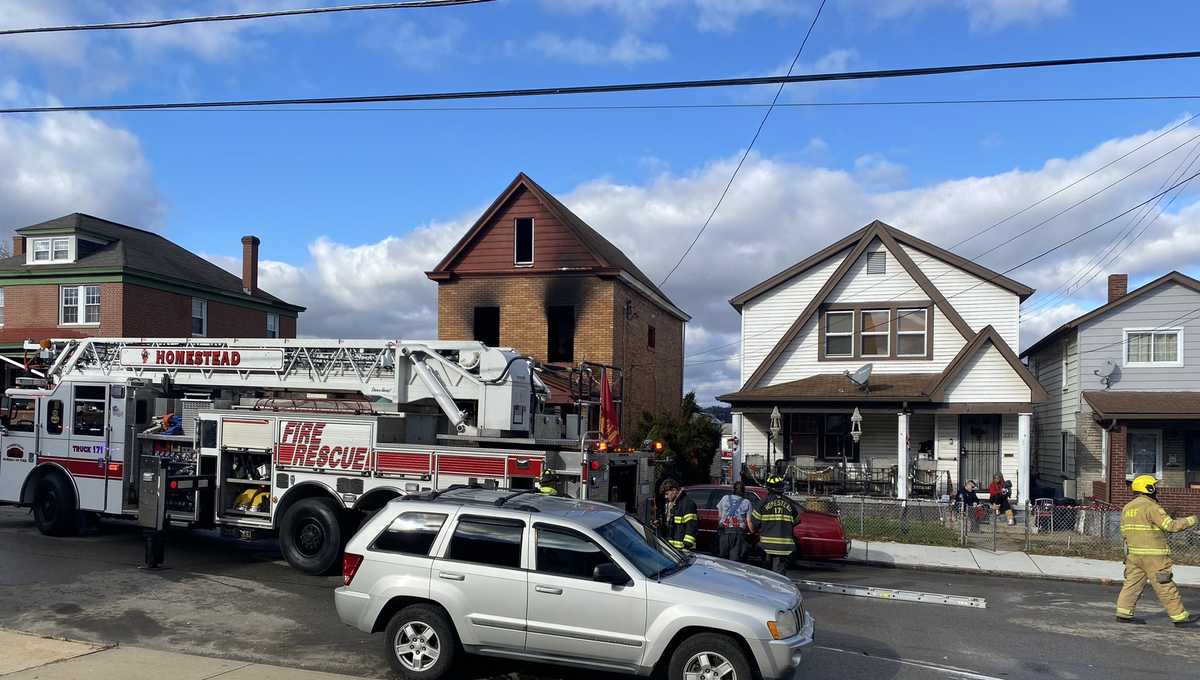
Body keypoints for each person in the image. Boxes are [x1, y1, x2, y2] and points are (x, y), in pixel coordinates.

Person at [1116, 475, 1199, 626]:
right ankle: (1180, 618)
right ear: (1149, 488)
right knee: (1165, 586)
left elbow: (1124, 533)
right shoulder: (1151, 507)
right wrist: (1192, 520)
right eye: (1154, 486)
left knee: (1132, 585)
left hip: (1134, 556)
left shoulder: (1127, 508)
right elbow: (1171, 526)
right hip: (1155, 558)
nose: (1156, 489)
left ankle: (1123, 614)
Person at [750, 475, 799, 575]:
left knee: (767, 576)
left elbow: (754, 522)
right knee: (779, 577)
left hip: (766, 546)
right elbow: (797, 520)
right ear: (781, 487)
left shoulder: (763, 503)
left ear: (768, 488)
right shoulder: (789, 503)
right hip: (784, 547)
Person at [716, 482, 752, 562]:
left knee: (722, 559)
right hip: (738, 534)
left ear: (733, 490)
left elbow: (719, 516)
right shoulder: (747, 502)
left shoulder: (724, 498)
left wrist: (720, 528)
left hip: (724, 531)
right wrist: (753, 532)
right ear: (743, 491)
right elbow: (749, 521)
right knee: (734, 561)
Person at [660, 478, 698, 552]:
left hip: (682, 550)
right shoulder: (673, 504)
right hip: (672, 549)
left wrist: (686, 546)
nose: (666, 497)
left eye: (667, 494)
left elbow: (692, 528)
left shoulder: (687, 504)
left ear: (674, 490)